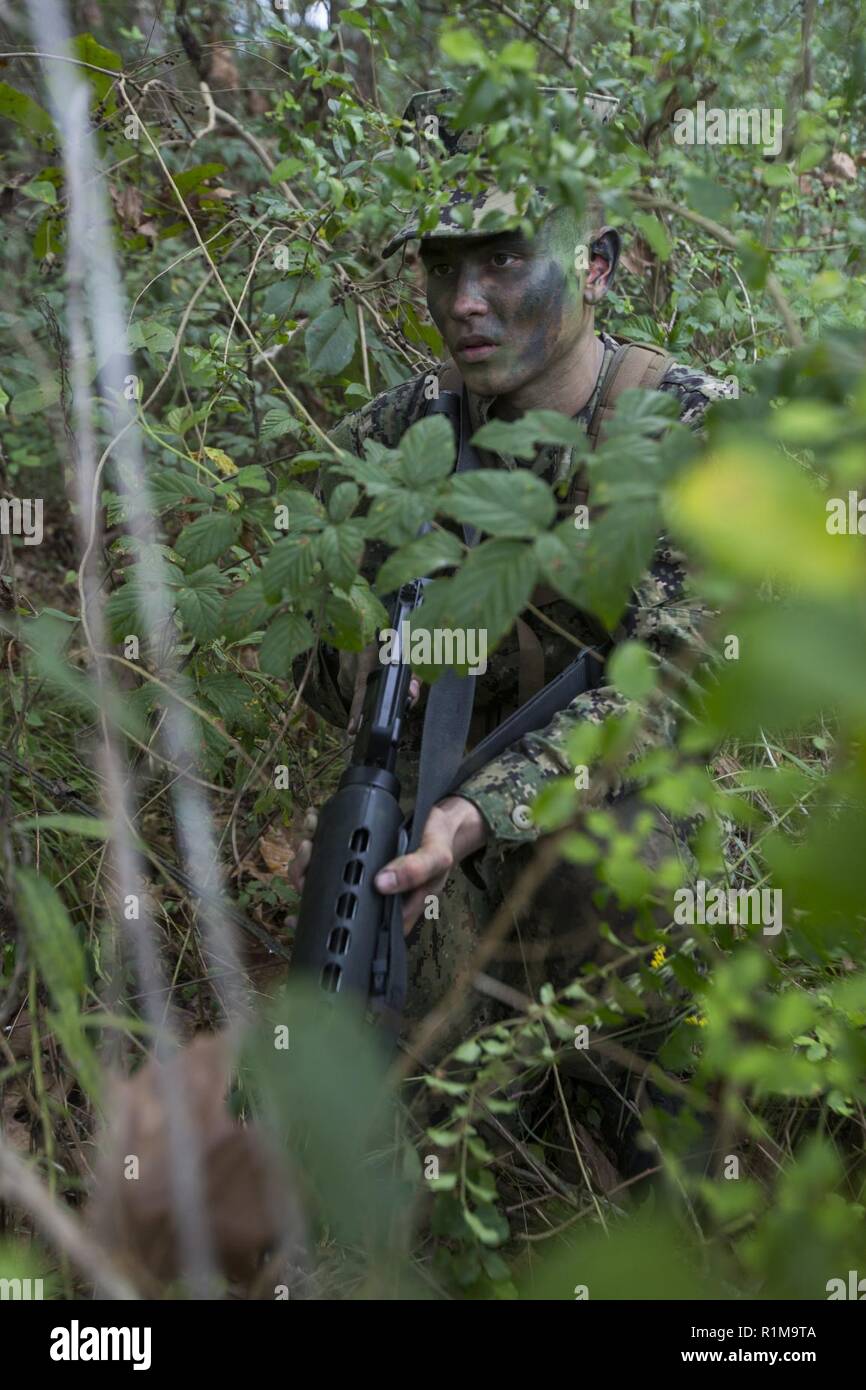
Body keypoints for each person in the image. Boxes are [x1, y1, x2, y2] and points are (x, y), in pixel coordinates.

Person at [291, 90, 734, 1166]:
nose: (463, 300)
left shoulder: (688, 427)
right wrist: (380, 804)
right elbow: (316, 651)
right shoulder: (399, 432)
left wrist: (472, 811)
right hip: (439, 865)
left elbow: (669, 689)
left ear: (597, 265)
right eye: (443, 267)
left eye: (502, 260)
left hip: (607, 860)